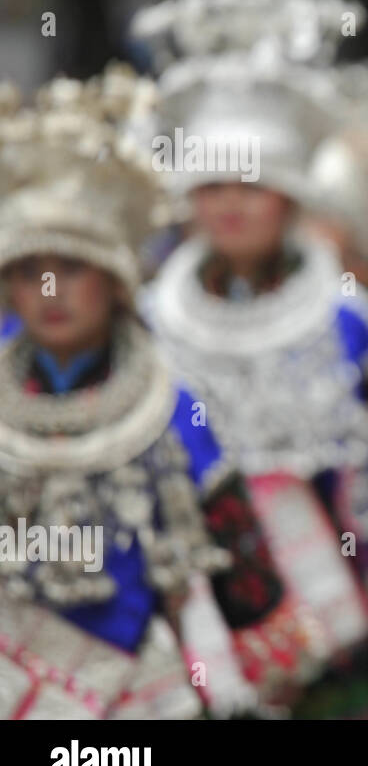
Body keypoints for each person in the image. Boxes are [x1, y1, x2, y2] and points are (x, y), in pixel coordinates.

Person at [133, 0, 368, 717]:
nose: (232, 202)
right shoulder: (146, 324)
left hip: (347, 613)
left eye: (252, 182)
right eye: (212, 186)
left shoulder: (351, 316)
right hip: (189, 627)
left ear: (289, 195)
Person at [0, 68, 295, 718]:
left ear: (114, 281)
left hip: (142, 692)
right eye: (29, 271)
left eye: (71, 267)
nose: (50, 292)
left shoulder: (171, 408)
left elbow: (246, 584)